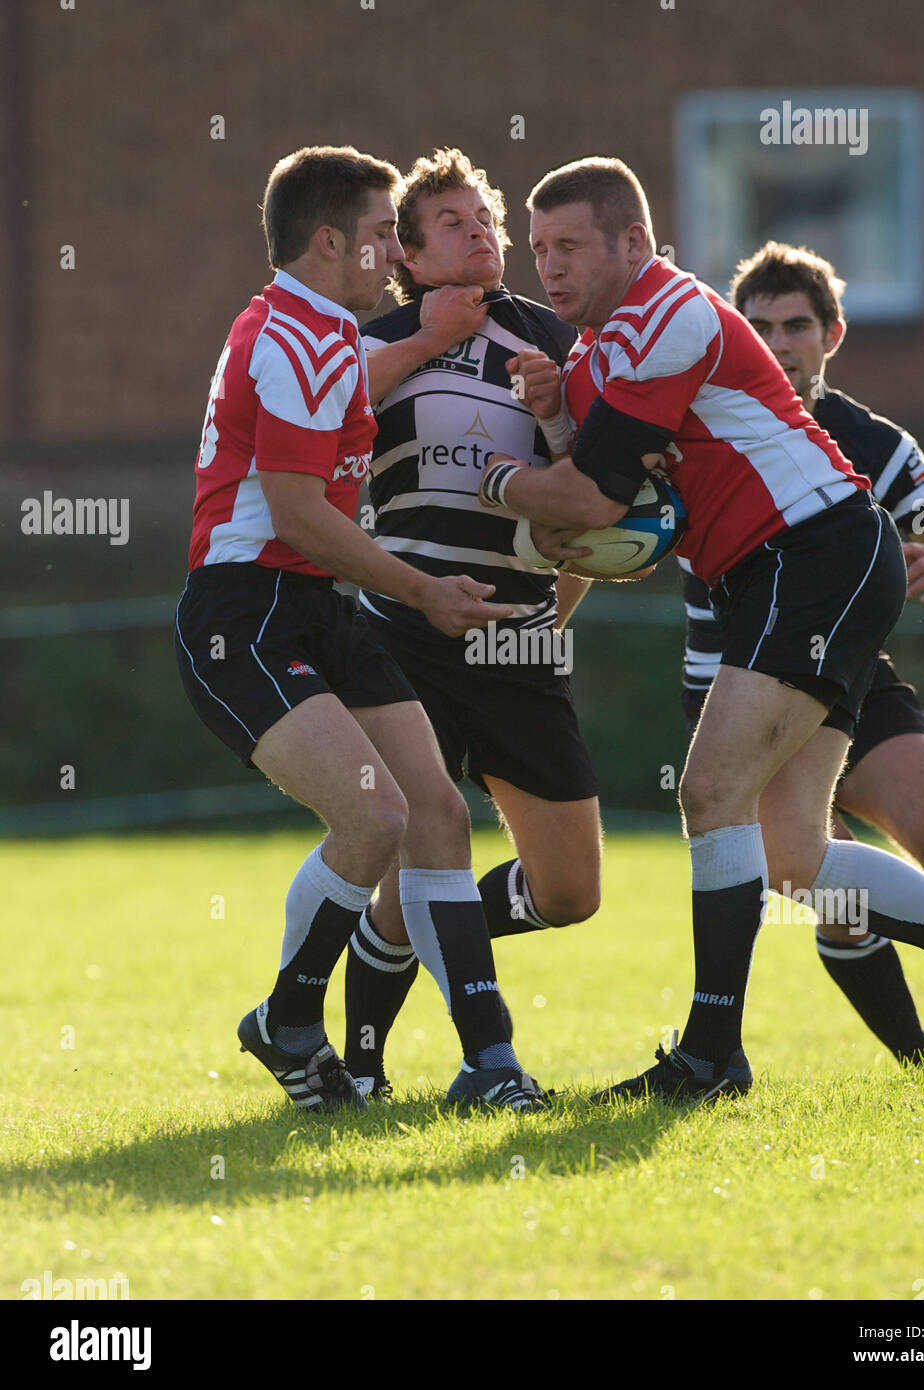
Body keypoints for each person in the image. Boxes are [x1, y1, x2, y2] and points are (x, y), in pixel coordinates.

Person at [481, 156, 924, 1101]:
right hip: (778, 576)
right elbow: (620, 525)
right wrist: (556, 416)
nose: (551, 269)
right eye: (538, 250)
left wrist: (497, 485)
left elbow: (582, 502)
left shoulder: (667, 313)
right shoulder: (592, 355)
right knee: (792, 856)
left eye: (570, 245)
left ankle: (709, 1055)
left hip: (813, 554)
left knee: (709, 790)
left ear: (635, 243)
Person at [174, 144, 545, 1114]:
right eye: (384, 233)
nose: (393, 250)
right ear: (330, 240)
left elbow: (365, 378)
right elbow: (298, 513)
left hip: (314, 605)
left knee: (438, 814)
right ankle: (292, 1021)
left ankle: (490, 1062)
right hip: (243, 608)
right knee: (374, 816)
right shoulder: (286, 339)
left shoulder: (325, 332)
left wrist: (428, 339)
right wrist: (423, 590)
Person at [677, 240, 924, 1067]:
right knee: (818, 882)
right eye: (758, 326)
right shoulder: (696, 417)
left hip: (849, 676)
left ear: (833, 334)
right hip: (730, 680)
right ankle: (920, 1065)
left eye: (797, 325)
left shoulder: (868, 439)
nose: (778, 342)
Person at [339, 148, 601, 1099]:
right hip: (401, 633)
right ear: (405, 252)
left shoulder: (552, 341)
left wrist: (559, 418)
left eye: (485, 219)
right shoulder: (371, 336)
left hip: (519, 636)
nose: (480, 233)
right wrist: (422, 339)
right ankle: (392, 1064)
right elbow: (324, 423)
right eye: (452, 222)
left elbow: (593, 504)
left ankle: (402, 926)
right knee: (433, 829)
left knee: (572, 892)